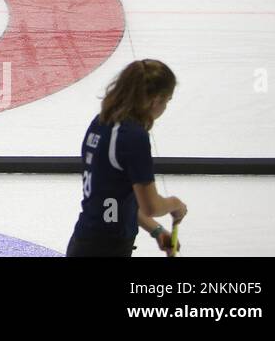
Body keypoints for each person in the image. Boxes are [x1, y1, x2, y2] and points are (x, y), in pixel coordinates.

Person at [66, 60, 187, 257]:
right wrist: (175, 204)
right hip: (108, 248)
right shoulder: (133, 136)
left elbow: (116, 198)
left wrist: (156, 231)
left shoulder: (102, 122)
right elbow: (151, 206)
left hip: (88, 240)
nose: (164, 108)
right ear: (155, 100)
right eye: (167, 101)